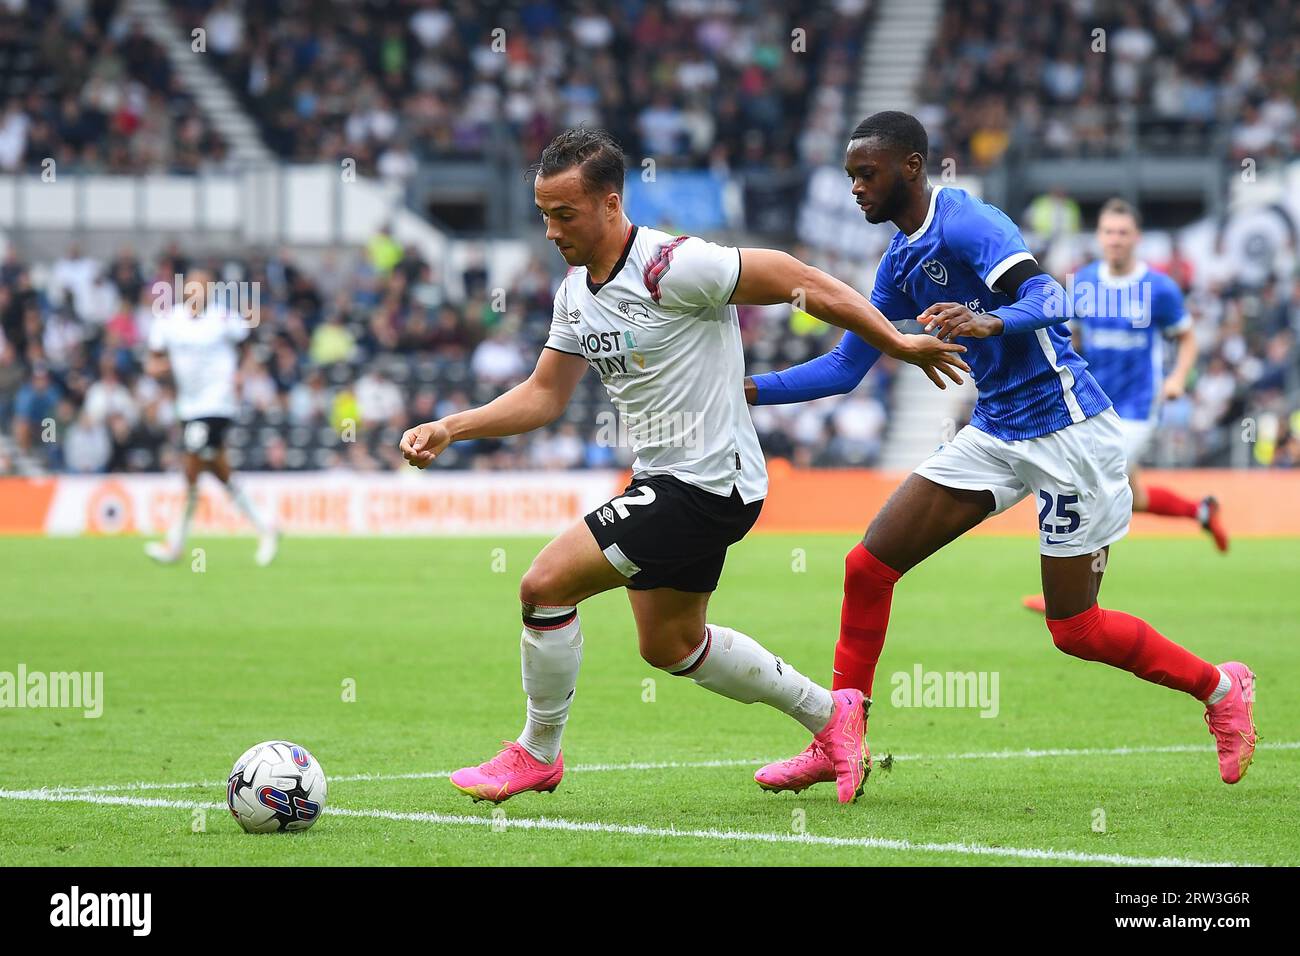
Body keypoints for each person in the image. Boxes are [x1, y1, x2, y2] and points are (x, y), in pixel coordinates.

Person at [399, 127, 970, 805]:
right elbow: (544, 396)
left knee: (545, 586)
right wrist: (451, 427)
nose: (551, 231)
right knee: (670, 645)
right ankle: (830, 720)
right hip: (669, 479)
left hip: (710, 482)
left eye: (565, 214)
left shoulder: (677, 265)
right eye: (544, 216)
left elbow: (800, 281)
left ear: (611, 205)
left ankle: (537, 752)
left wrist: (896, 342)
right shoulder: (576, 296)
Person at [746, 112, 1257, 793]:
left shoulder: (970, 222)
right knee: (867, 566)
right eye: (849, 178)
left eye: (865, 175)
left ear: (911, 167)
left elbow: (1052, 295)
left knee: (1074, 628)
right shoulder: (898, 264)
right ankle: (840, 736)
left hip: (1069, 429)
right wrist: (742, 389)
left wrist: (992, 318)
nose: (856, 190)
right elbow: (845, 368)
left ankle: (1222, 690)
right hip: (995, 430)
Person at [144, 270, 278, 566]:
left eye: (203, 288)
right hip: (188, 406)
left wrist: (242, 374)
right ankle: (265, 526)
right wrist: (157, 370)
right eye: (193, 288)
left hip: (218, 403)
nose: (198, 293)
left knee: (192, 466)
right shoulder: (169, 322)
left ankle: (175, 544)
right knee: (215, 470)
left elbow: (249, 349)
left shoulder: (224, 319)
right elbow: (153, 360)